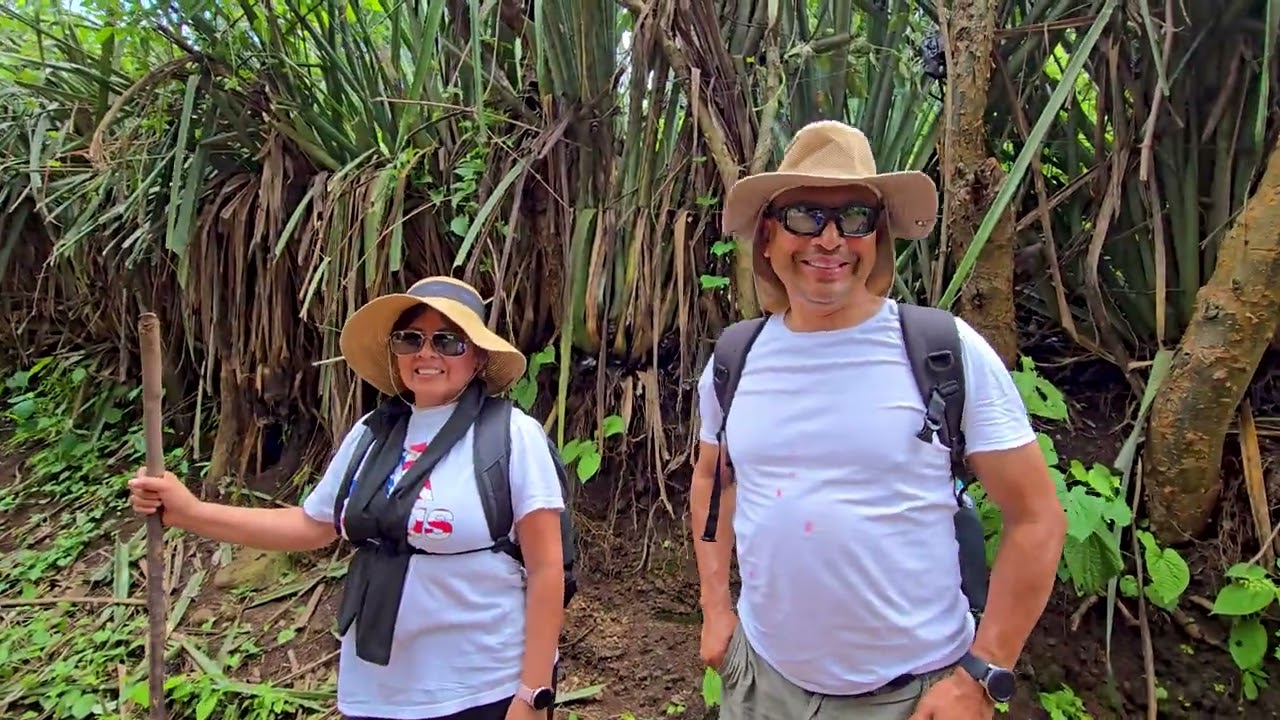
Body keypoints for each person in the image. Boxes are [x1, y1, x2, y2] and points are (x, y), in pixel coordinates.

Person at [690, 120, 1067, 720]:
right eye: (806, 215)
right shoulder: (735, 358)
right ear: (767, 237)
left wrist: (983, 672)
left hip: (913, 697)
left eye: (856, 217)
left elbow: (1037, 518)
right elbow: (715, 480)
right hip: (764, 686)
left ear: (879, 236)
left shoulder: (944, 350)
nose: (831, 239)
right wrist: (715, 608)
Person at [128, 276, 569, 720]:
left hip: (483, 687)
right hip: (377, 690)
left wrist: (533, 693)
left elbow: (546, 567)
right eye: (410, 338)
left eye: (449, 341)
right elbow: (311, 526)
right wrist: (191, 513)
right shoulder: (371, 435)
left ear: (476, 359)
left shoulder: (512, 436)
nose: (427, 352)